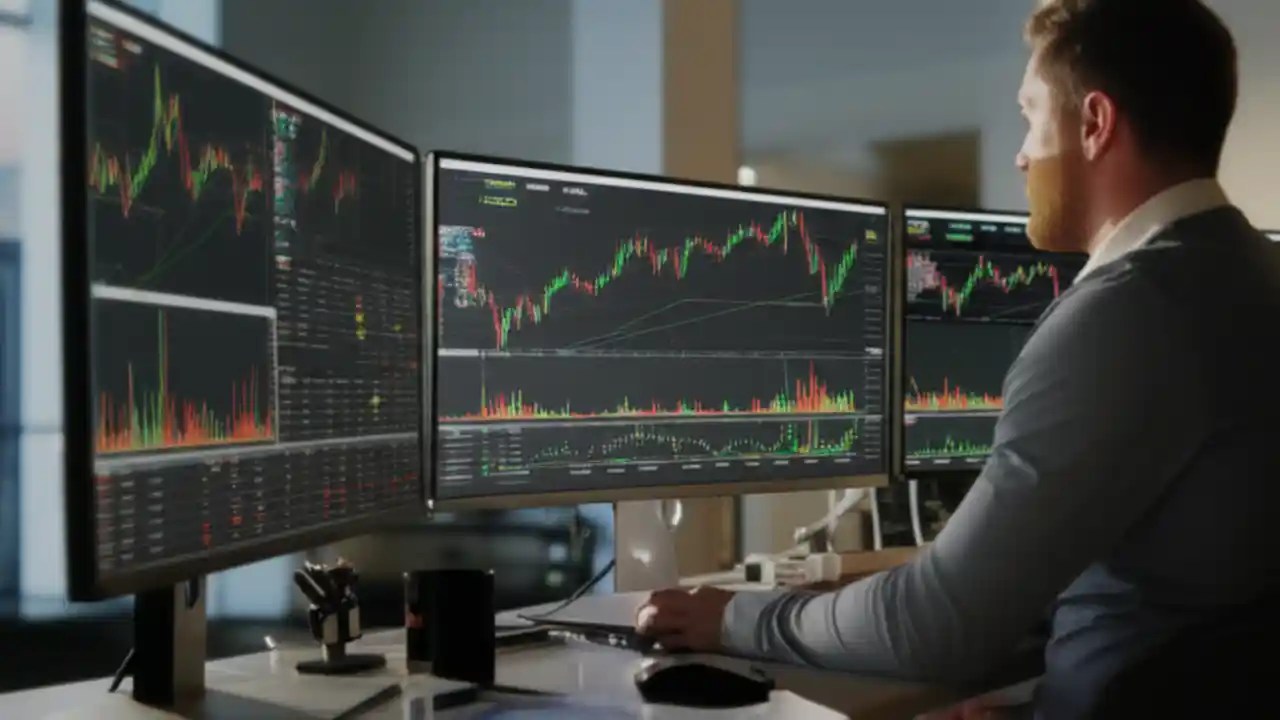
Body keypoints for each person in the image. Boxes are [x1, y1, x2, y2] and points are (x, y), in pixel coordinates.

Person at [635, 0, 1280, 717]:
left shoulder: (1129, 312)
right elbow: (1200, 595)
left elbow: (936, 627)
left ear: (1095, 124)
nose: (1022, 154)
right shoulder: (1255, 273)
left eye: (1031, 116)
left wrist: (736, 616)